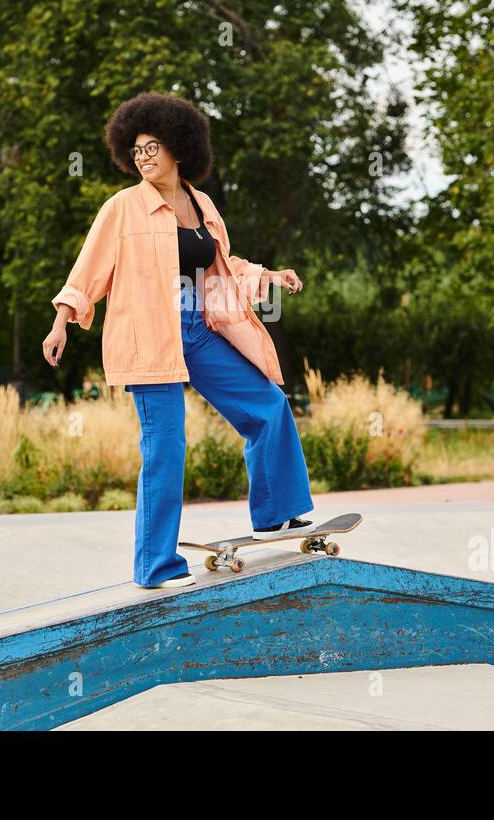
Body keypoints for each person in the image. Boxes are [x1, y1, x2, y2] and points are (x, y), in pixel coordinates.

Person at [43, 92, 316, 588]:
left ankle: (278, 512)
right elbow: (88, 272)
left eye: (152, 147)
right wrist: (62, 319)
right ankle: (155, 566)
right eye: (136, 150)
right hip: (150, 336)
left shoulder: (201, 203)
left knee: (268, 405)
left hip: (198, 327)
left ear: (178, 148)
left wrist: (268, 276)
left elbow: (221, 267)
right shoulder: (122, 209)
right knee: (166, 447)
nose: (143, 158)